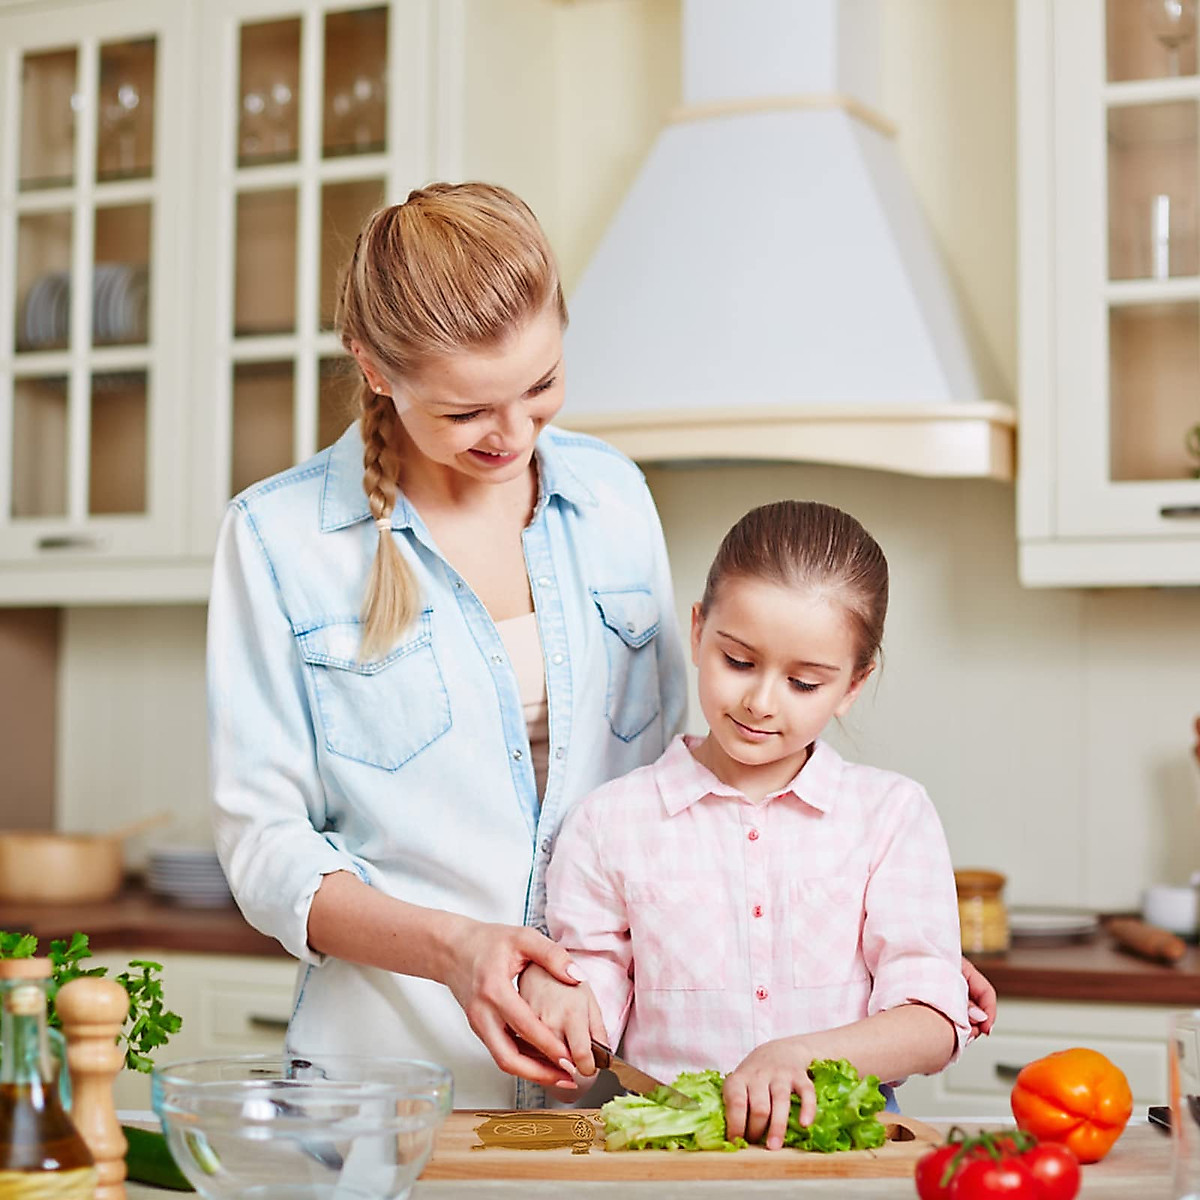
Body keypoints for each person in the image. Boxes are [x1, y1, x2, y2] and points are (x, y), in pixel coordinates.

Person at [206, 181, 995, 1110]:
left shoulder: (610, 497)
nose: (513, 435)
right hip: (392, 1080)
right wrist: (457, 951)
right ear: (376, 369)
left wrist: (880, 994)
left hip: (612, 1093)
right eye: (467, 412)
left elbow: (680, 783)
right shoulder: (279, 539)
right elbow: (266, 851)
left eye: (540, 386)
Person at [520, 501, 974, 1148]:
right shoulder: (608, 824)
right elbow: (574, 1060)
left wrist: (800, 1057)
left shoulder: (891, 816)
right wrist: (554, 1019)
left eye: (804, 682)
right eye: (738, 662)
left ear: (852, 684)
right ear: (700, 631)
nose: (761, 702)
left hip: (844, 1156)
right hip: (668, 1160)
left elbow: (932, 1021)